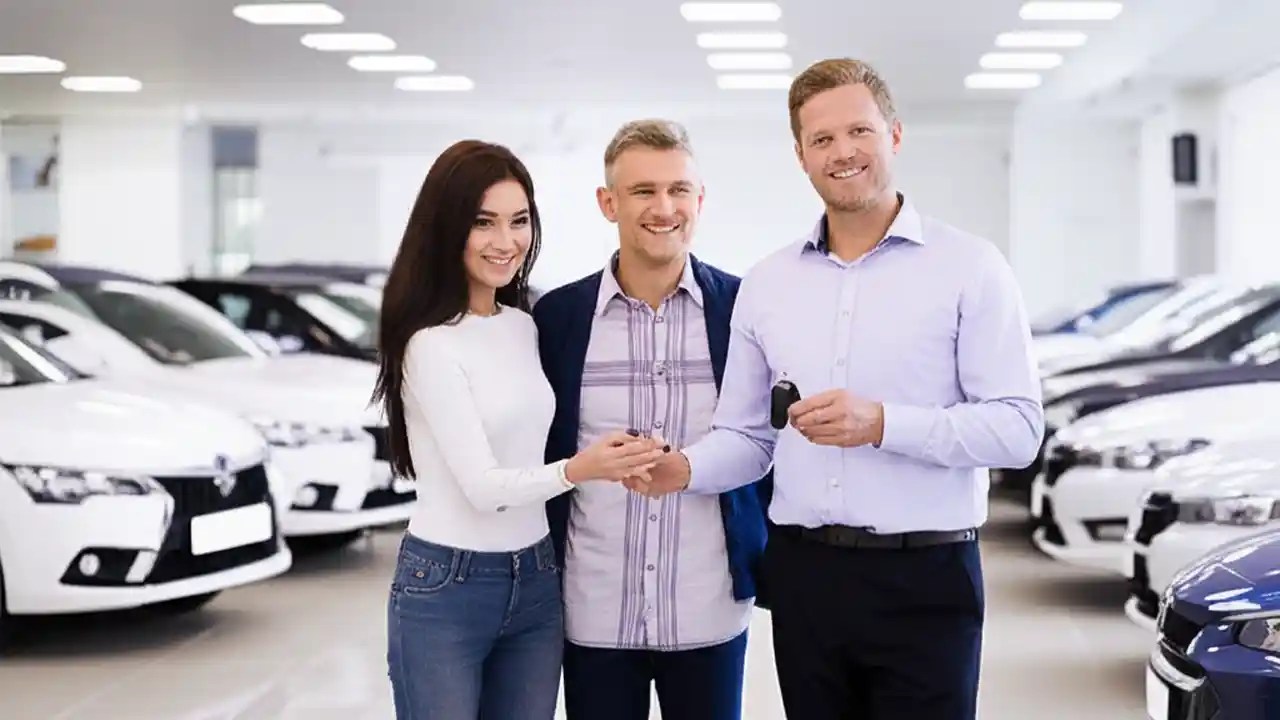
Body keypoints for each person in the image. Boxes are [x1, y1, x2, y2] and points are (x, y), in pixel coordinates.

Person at [631, 59, 1045, 719]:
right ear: (801, 156)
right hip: (806, 576)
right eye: (822, 140)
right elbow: (746, 437)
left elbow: (1019, 430)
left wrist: (884, 423)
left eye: (860, 130)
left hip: (927, 576)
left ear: (895, 135)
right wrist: (682, 468)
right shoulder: (769, 283)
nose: (843, 151)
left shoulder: (970, 267)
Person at [372, 139, 667, 719]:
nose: (505, 242)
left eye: (518, 221)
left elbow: (537, 440)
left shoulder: (524, 325)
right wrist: (584, 469)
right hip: (446, 587)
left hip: (535, 580)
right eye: (483, 223)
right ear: (447, 227)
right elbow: (484, 488)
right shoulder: (429, 345)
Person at [532, 120, 771, 720]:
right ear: (608, 202)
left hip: (707, 604)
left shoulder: (744, 309)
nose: (663, 208)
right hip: (593, 607)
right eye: (642, 191)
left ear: (699, 201)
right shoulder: (559, 318)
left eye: (678, 190)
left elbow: (765, 440)